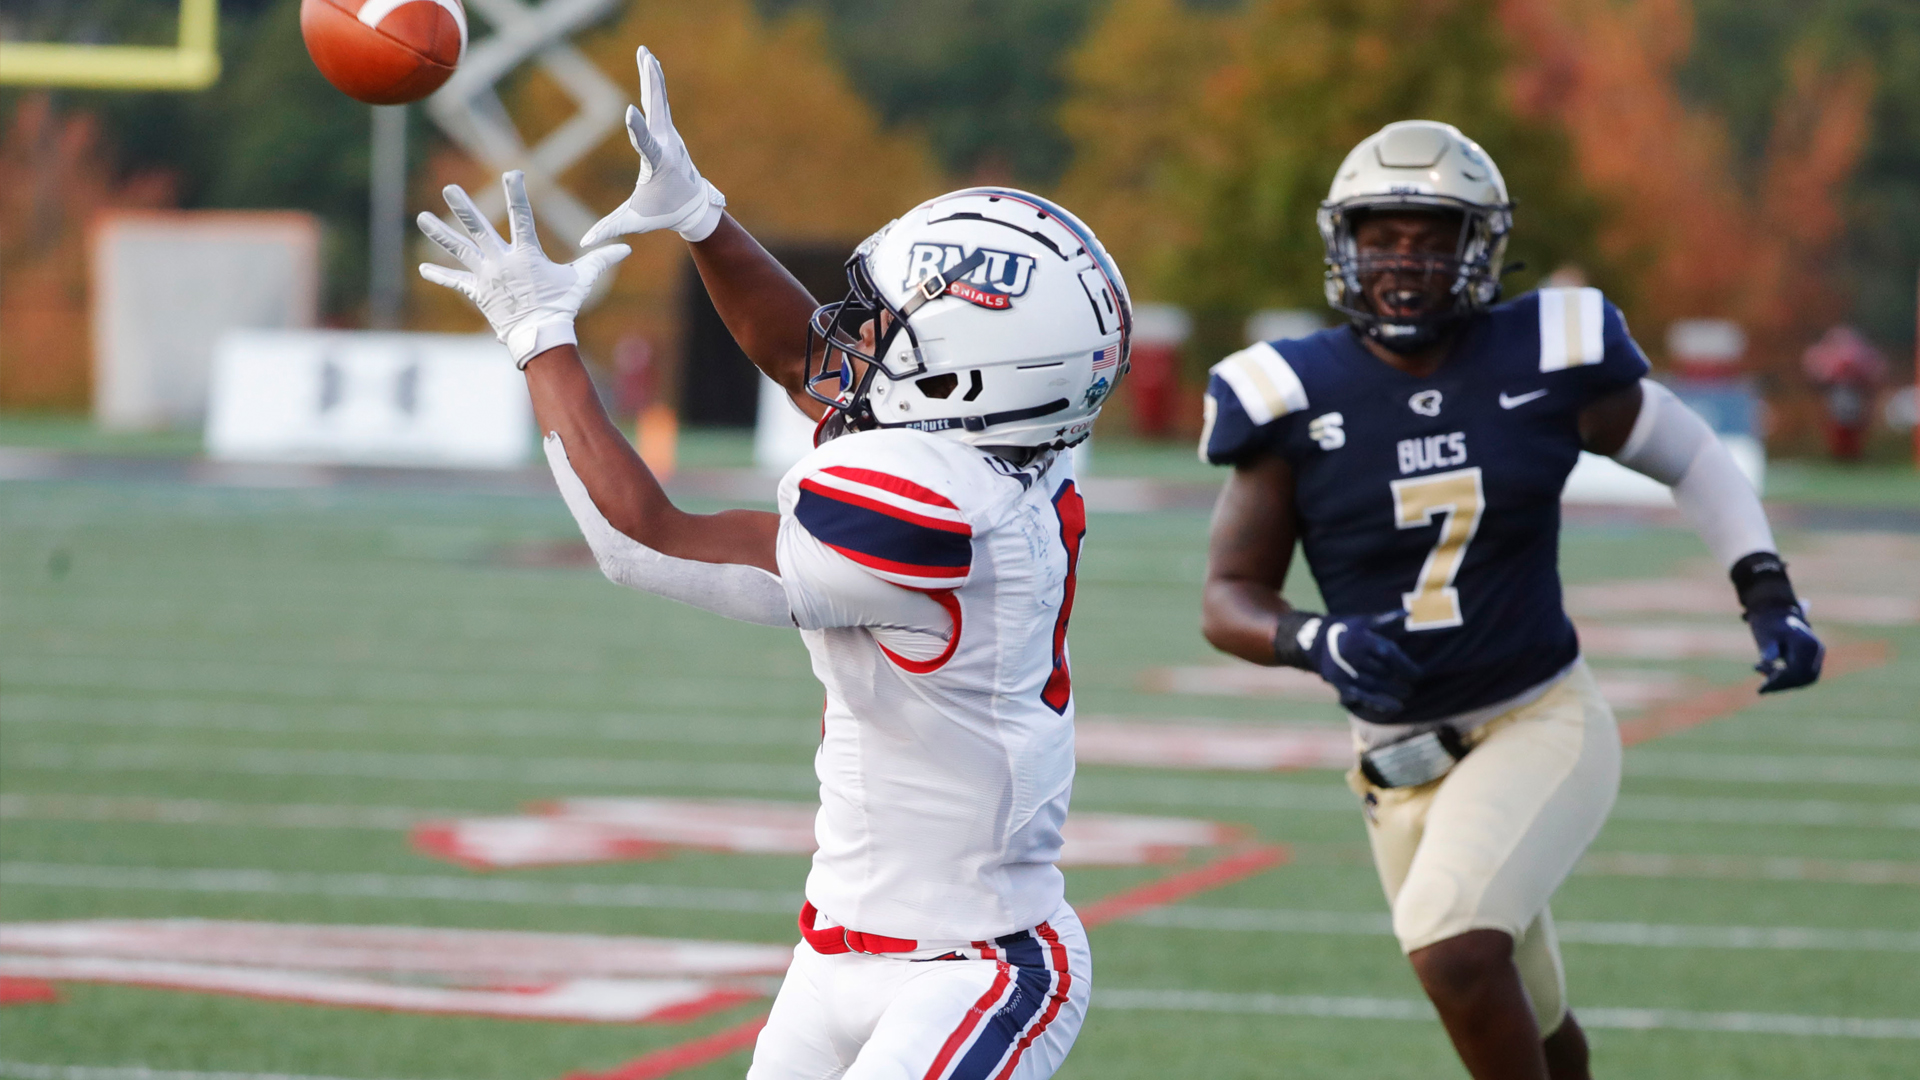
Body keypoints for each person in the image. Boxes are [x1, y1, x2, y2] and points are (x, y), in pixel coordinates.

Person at [415, 47, 1132, 1080]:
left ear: (970, 374)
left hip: (974, 969)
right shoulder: (1006, 439)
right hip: (835, 953)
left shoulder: (940, 518)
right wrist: (700, 216)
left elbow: (642, 539)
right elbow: (812, 361)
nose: (860, 337)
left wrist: (538, 336)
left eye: (893, 330)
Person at [1197, 120, 1824, 1080]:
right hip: (1393, 760)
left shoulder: (1546, 354)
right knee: (1529, 1011)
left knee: (1453, 948)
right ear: (1343, 244)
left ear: (1479, 246)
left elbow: (1692, 454)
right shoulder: (1293, 391)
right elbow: (1229, 596)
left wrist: (1766, 590)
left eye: (1431, 238)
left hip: (1537, 718)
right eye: (1381, 236)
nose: (1404, 262)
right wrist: (1312, 639)